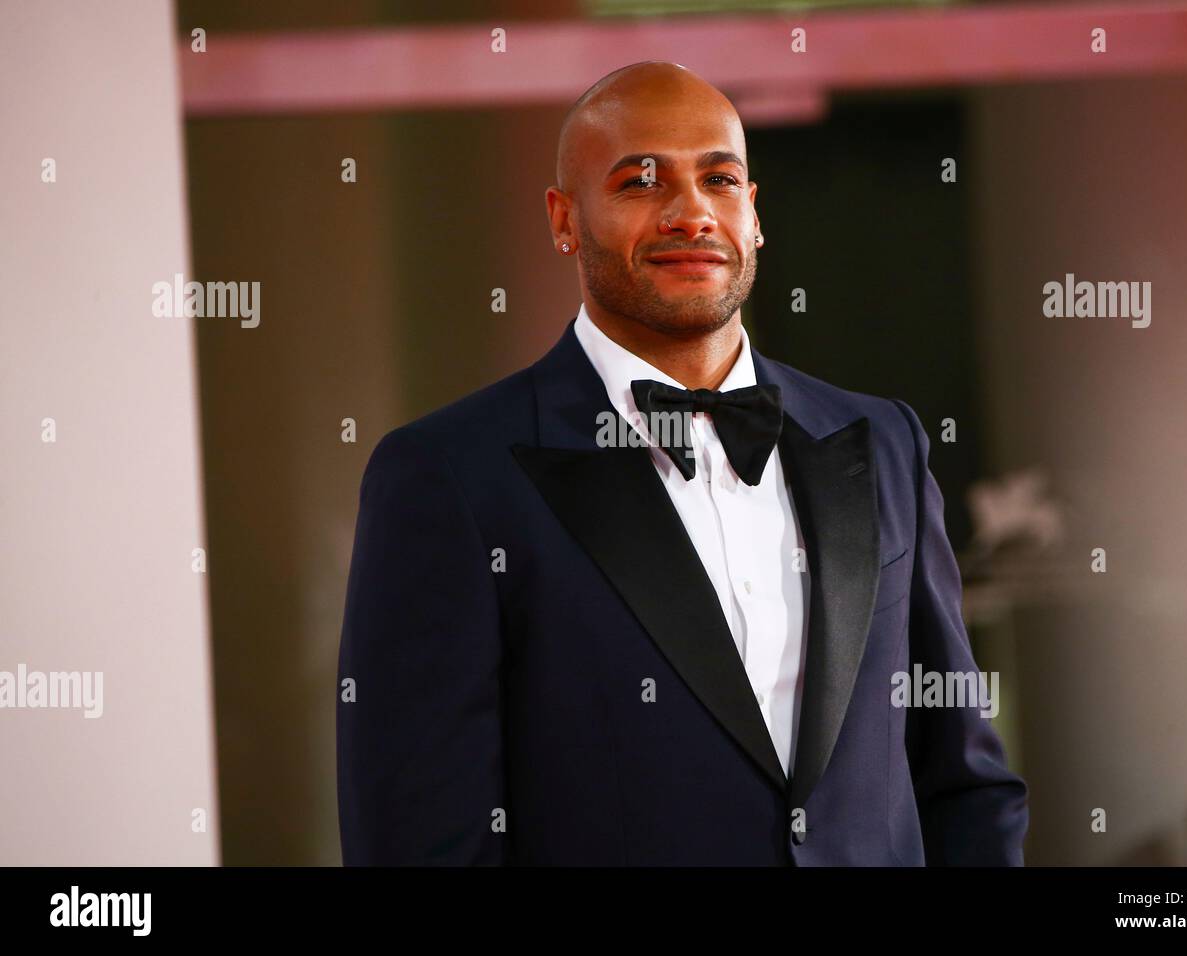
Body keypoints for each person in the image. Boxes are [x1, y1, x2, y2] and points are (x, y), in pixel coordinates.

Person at [336, 60, 1028, 865]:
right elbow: (421, 839)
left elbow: (966, 780)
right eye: (640, 182)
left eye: (720, 179)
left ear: (754, 214)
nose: (691, 213)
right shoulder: (447, 475)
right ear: (564, 219)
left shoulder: (883, 442)